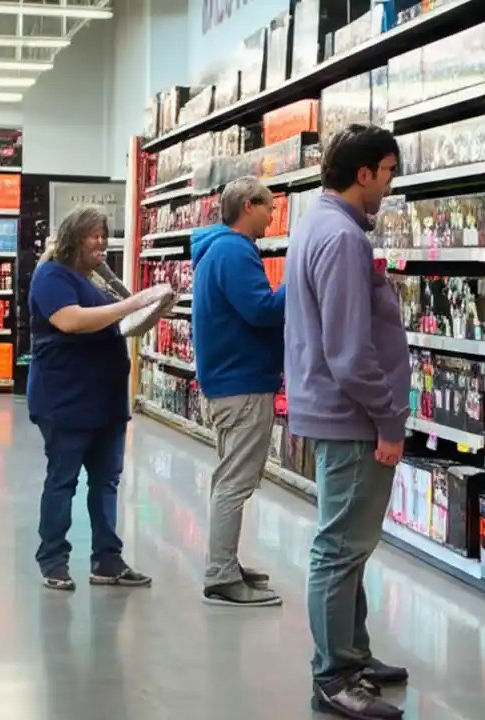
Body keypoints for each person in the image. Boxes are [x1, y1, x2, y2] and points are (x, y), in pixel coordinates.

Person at [284, 124, 410, 720]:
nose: (389, 183)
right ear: (364, 174)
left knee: (348, 546)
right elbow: (350, 352)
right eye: (387, 172)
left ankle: (351, 654)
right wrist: (388, 420)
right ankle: (334, 675)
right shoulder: (343, 239)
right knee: (339, 548)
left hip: (336, 413)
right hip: (353, 418)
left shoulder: (317, 223)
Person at [28, 206, 167, 591]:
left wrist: (152, 307)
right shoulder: (51, 275)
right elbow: (70, 320)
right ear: (73, 238)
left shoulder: (93, 281)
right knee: (63, 480)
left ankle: (108, 560)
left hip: (105, 401)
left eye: (104, 234)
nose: (102, 242)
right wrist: (134, 302)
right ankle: (53, 560)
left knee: (106, 481)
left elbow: (115, 322)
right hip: (66, 400)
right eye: (93, 235)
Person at [191, 177, 285, 608]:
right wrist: (297, 281)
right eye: (269, 207)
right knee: (235, 481)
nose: (273, 214)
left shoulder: (217, 250)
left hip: (229, 381)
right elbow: (262, 310)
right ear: (249, 206)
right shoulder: (233, 251)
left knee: (228, 476)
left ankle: (224, 562)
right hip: (242, 384)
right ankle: (221, 574)